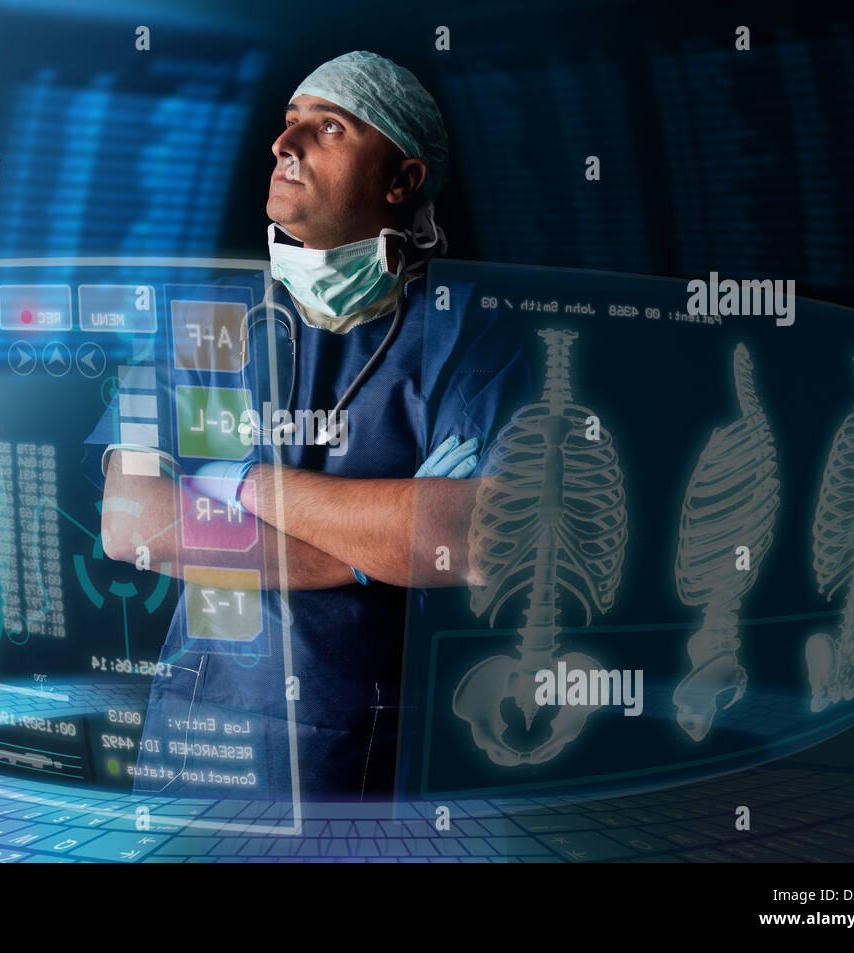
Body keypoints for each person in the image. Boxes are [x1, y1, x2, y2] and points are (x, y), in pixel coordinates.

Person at [101, 51, 531, 798]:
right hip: (202, 744)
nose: (285, 143)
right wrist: (378, 545)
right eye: (288, 121)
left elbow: (473, 538)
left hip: (369, 756)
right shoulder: (202, 319)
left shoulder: (471, 335)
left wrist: (237, 480)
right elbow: (129, 518)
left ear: (402, 180)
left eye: (327, 126)